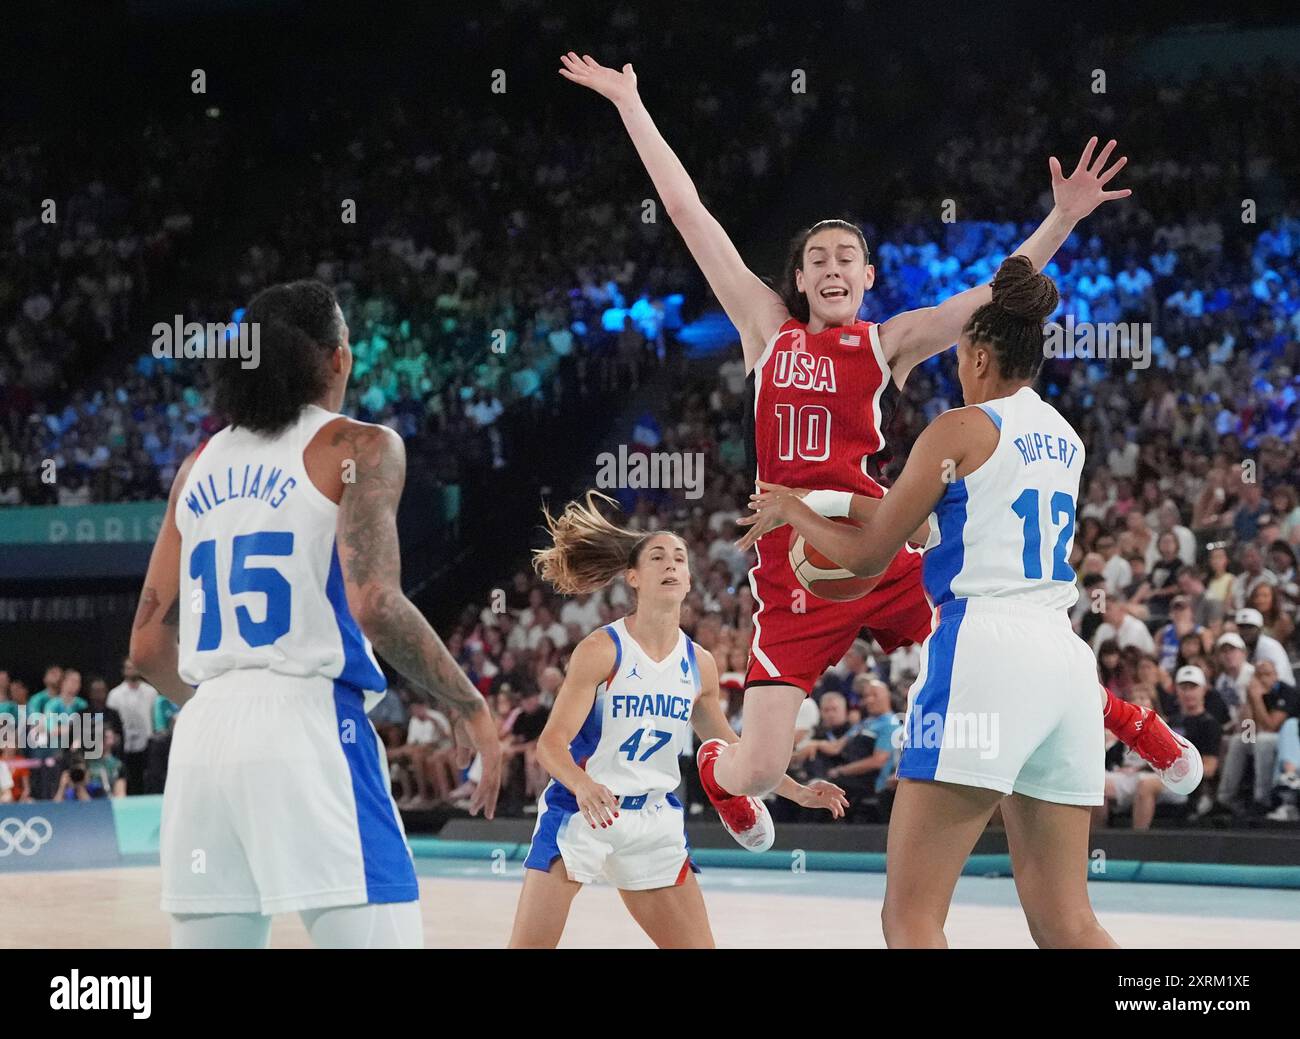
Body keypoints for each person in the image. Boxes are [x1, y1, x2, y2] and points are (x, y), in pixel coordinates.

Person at [560, 52, 1144, 852]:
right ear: (798, 279)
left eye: (847, 259)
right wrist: (630, 102)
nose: (833, 268)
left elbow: (988, 297)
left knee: (1005, 628)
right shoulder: (768, 331)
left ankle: (1126, 718)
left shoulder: (887, 342)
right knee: (762, 769)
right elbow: (688, 210)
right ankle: (716, 765)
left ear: (868, 277)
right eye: (818, 260)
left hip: (875, 546)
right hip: (791, 564)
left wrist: (1063, 219)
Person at [744, 257, 1201, 947]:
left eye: (960, 357)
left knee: (912, 915)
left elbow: (869, 553)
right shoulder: (1068, 439)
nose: (956, 369)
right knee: (1068, 921)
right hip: (1065, 663)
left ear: (981, 356)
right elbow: (961, 520)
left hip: (984, 652)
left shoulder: (958, 429)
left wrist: (792, 510)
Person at [129, 279, 502, 950]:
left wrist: (232, 702)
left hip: (203, 740)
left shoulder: (196, 466)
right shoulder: (358, 447)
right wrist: (470, 704)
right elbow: (376, 603)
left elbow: (150, 646)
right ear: (337, 359)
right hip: (307, 724)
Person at [509, 494, 847, 948]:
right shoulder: (601, 649)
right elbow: (551, 746)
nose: (671, 564)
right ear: (634, 577)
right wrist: (583, 785)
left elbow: (731, 746)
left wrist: (797, 790)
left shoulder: (700, 664)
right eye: (657, 556)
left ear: (689, 580)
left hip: (654, 821)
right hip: (584, 814)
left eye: (680, 558)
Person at [106, 658, 159, 794]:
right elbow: (111, 721)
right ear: (124, 671)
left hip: (147, 740)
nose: (132, 670)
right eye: (128, 667)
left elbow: (155, 716)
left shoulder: (151, 692)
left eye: (134, 667)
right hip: (123, 743)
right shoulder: (115, 694)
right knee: (125, 774)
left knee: (146, 775)